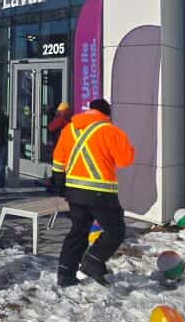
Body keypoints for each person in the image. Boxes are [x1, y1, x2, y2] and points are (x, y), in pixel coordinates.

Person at [54, 99, 134, 286]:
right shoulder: (111, 131)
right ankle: (93, 262)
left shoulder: (70, 129)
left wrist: (60, 184)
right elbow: (125, 160)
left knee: (78, 232)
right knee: (115, 231)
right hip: (100, 192)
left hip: (74, 191)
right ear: (106, 115)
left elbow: (58, 159)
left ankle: (65, 275)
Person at [44, 102, 72, 192]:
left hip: (59, 145)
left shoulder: (60, 119)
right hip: (67, 146)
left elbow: (51, 127)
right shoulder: (70, 119)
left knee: (57, 167)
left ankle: (54, 184)